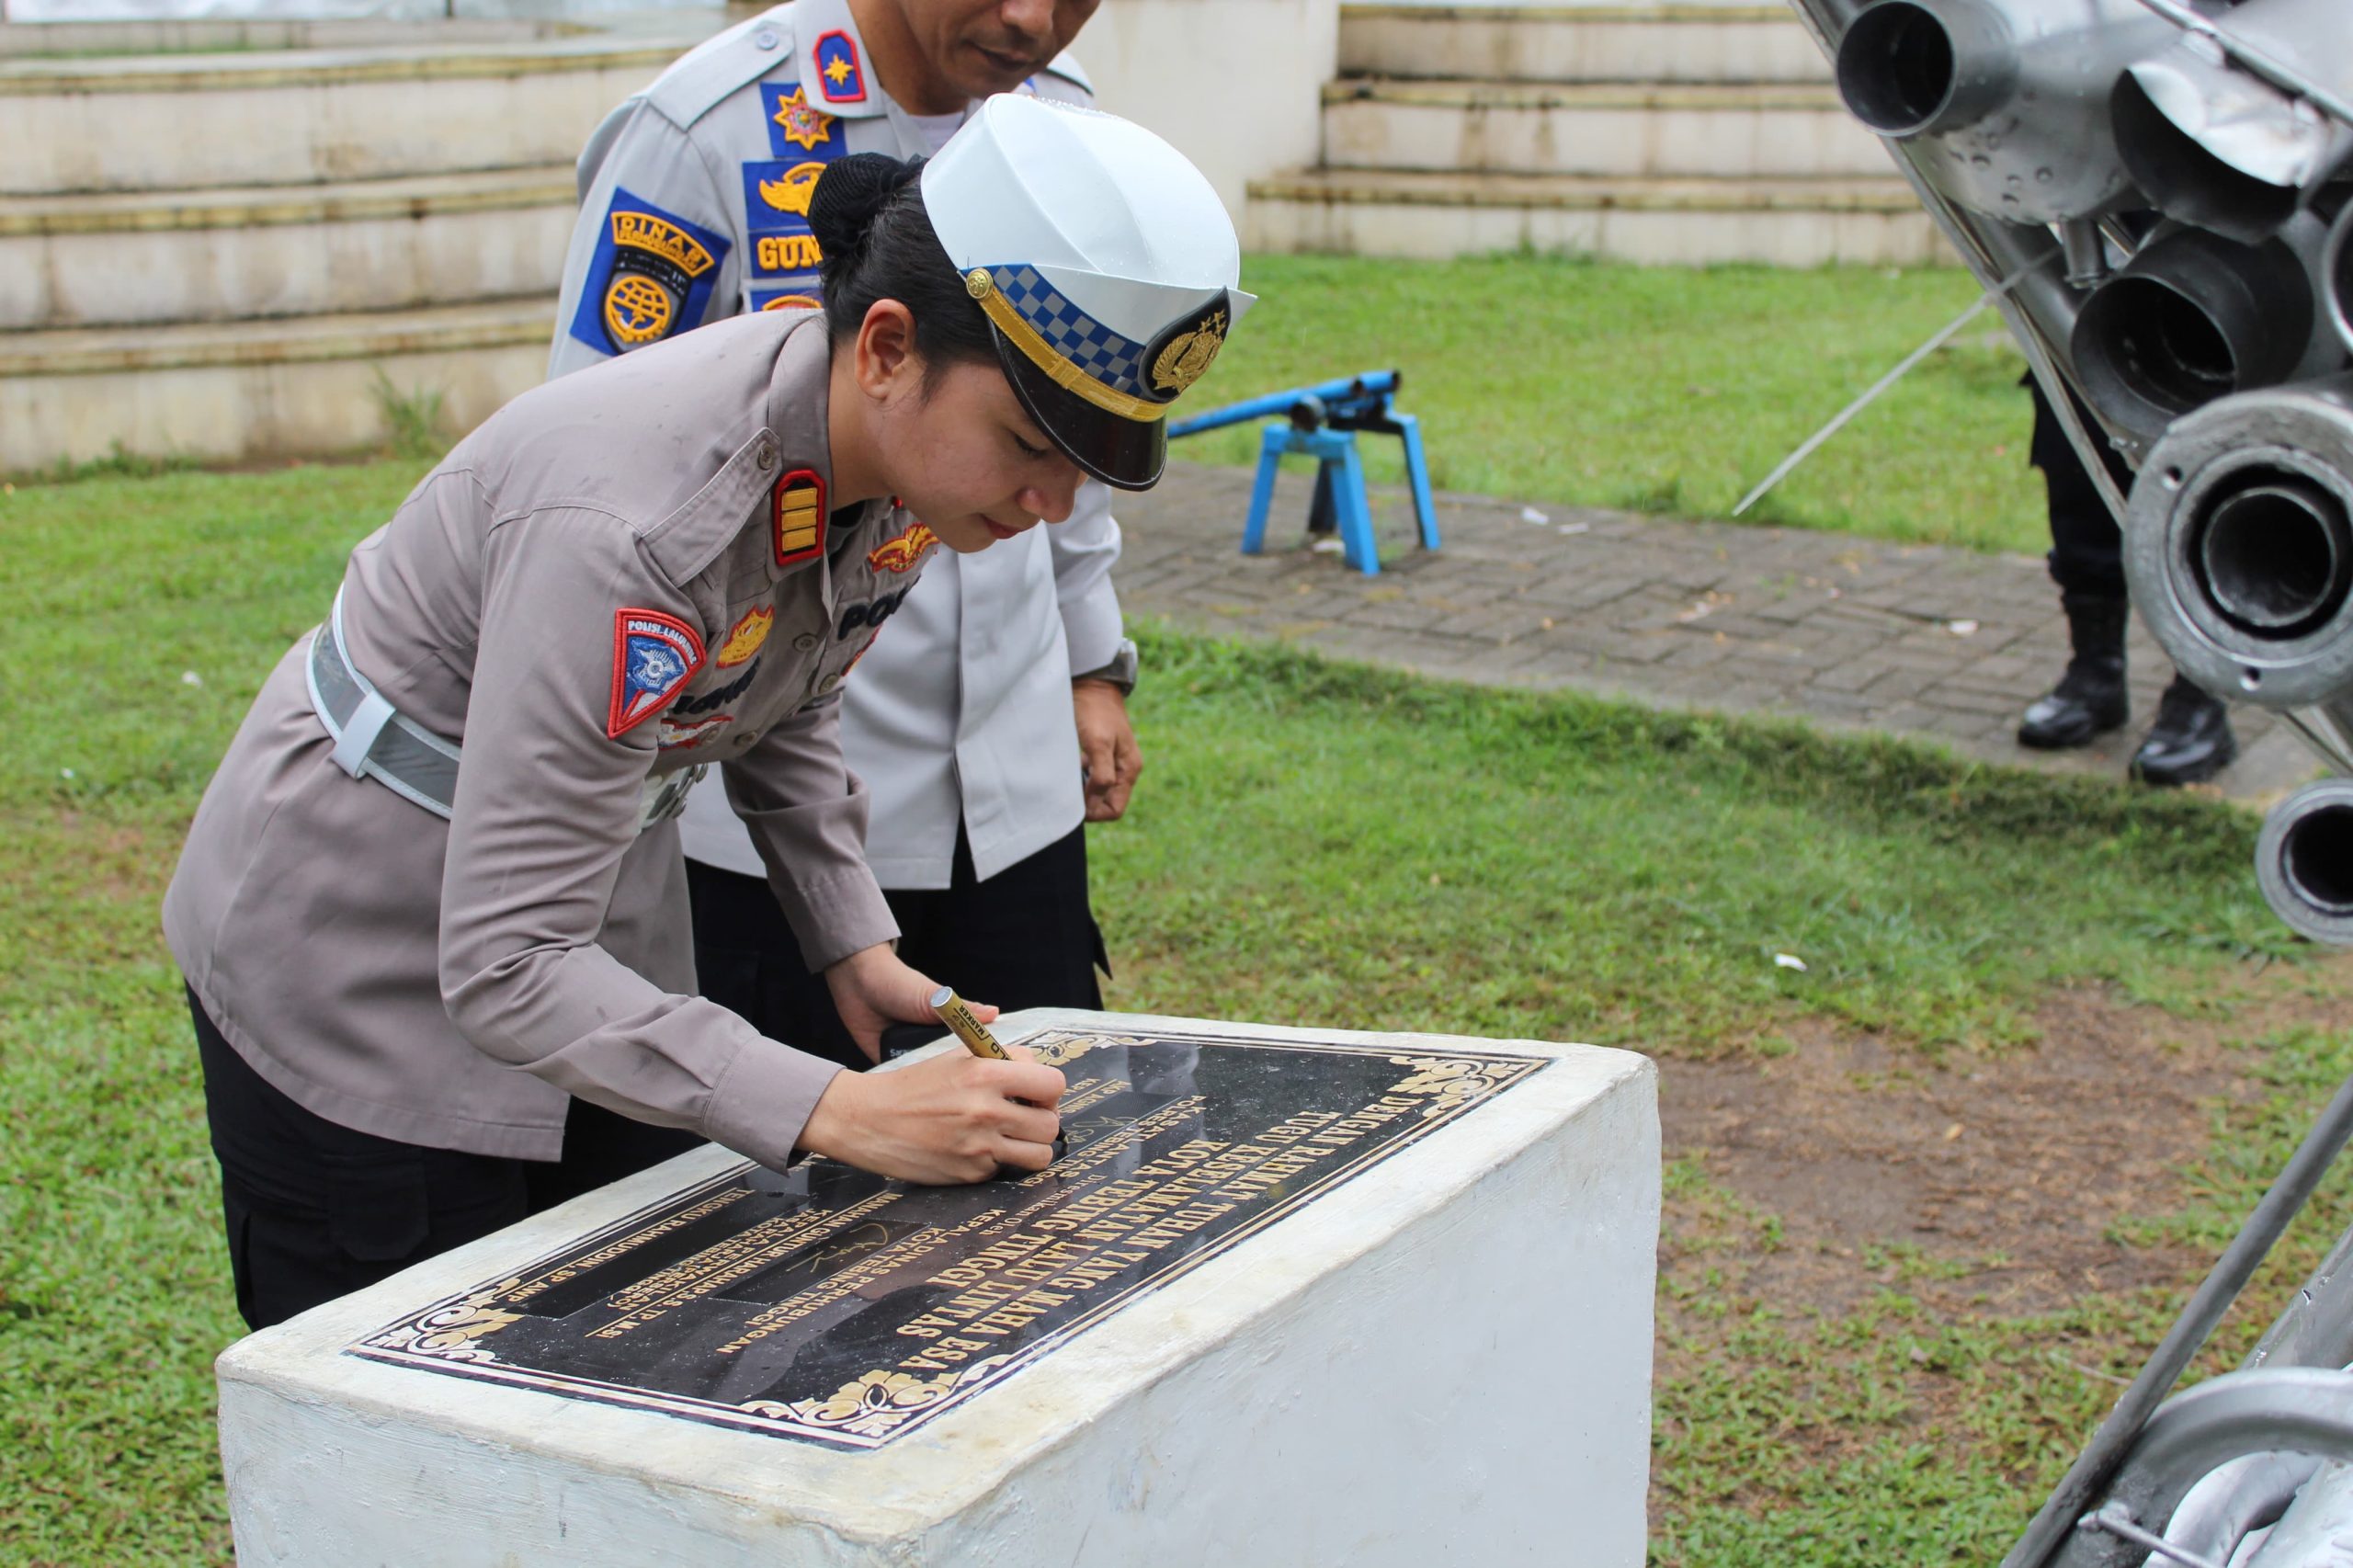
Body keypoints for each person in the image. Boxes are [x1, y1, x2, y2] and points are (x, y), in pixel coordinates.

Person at [163, 95, 1253, 1330]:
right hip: (360, 943)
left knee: (609, 1333)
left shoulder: (889, 462)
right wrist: (834, 1109)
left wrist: (852, 938)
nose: (1053, 500)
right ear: (888, 347)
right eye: (1029, 442)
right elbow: (506, 961)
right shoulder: (635, 528)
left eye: (1088, 463)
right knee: (416, 1357)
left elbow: (779, 692)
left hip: (573, 899)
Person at [549, 0, 1140, 1075]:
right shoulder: (708, 133)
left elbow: (1083, 437)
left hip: (1012, 790)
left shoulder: (1064, 132)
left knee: (1041, 1158)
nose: (1031, 18)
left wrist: (1091, 663)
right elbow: (592, 472)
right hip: (764, 813)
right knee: (791, 1202)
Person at [2017, 378, 2236, 785]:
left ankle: (2200, 695)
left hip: (2211, 342)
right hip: (2078, 327)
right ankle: (2096, 676)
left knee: (2208, 484)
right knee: (2075, 468)